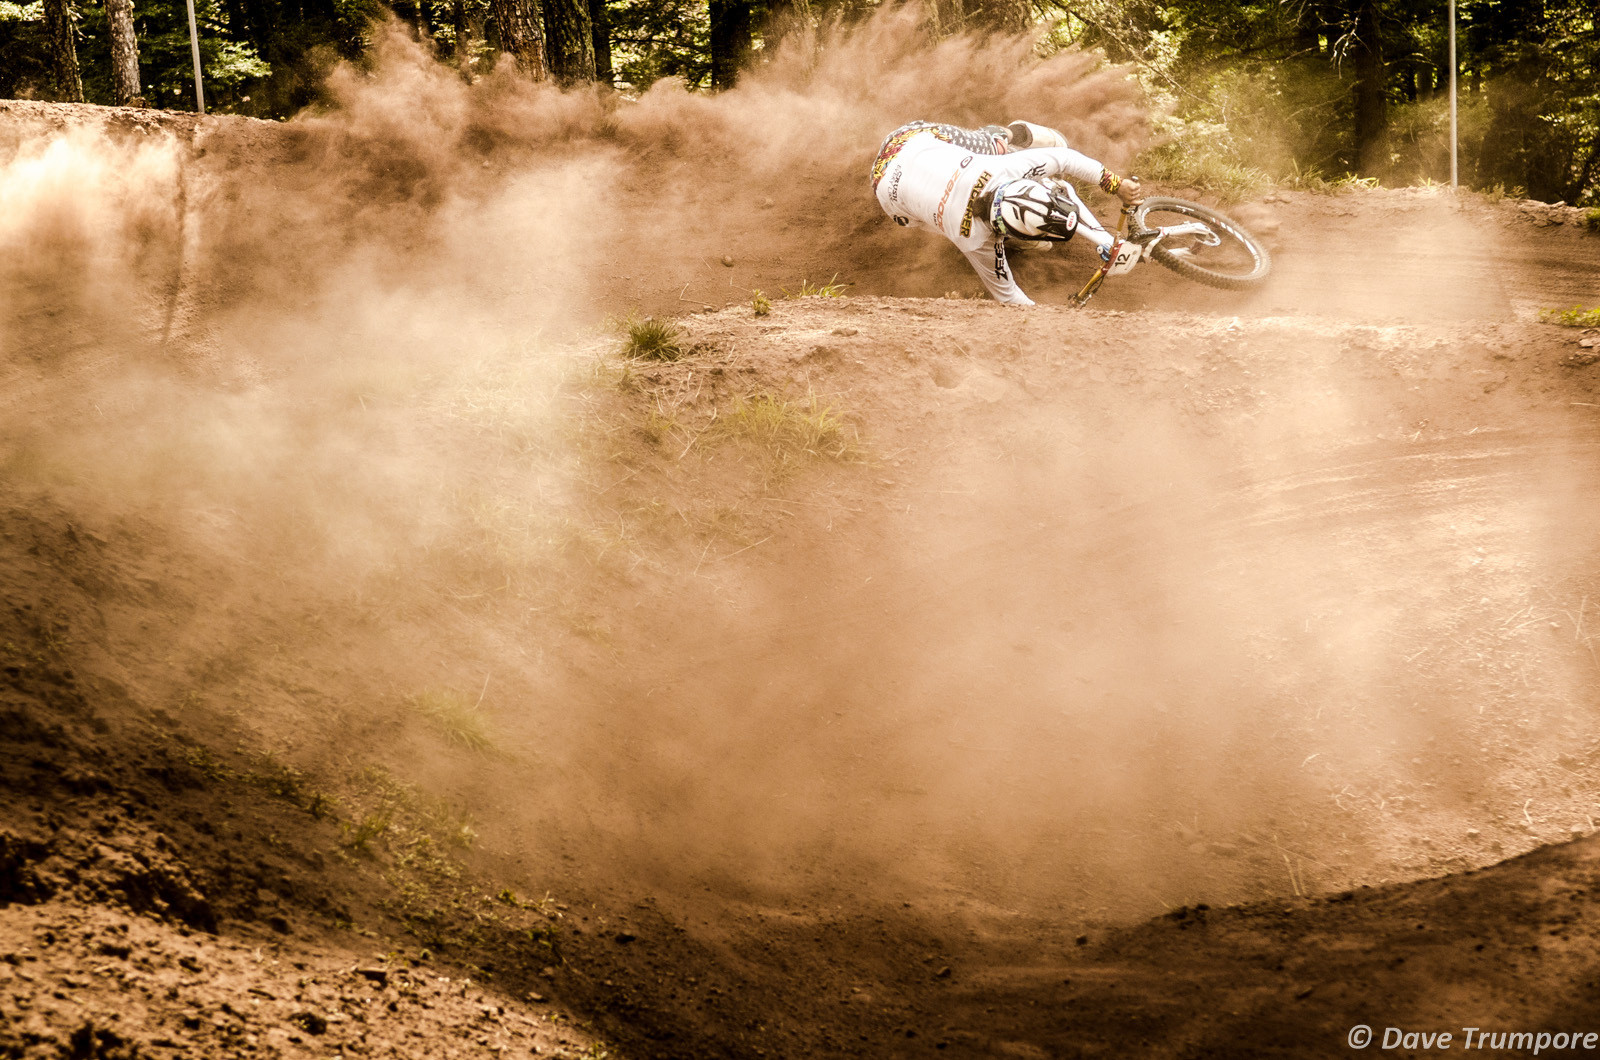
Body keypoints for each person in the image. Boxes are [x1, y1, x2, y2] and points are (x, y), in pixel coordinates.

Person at [871, 120, 1143, 306]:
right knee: (996, 149)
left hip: (900, 159)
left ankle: (1015, 134)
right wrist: (1116, 184)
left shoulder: (996, 181)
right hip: (898, 165)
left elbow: (1010, 296)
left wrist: (1116, 184)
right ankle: (1017, 239)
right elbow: (1066, 158)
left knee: (996, 147)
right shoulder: (974, 238)